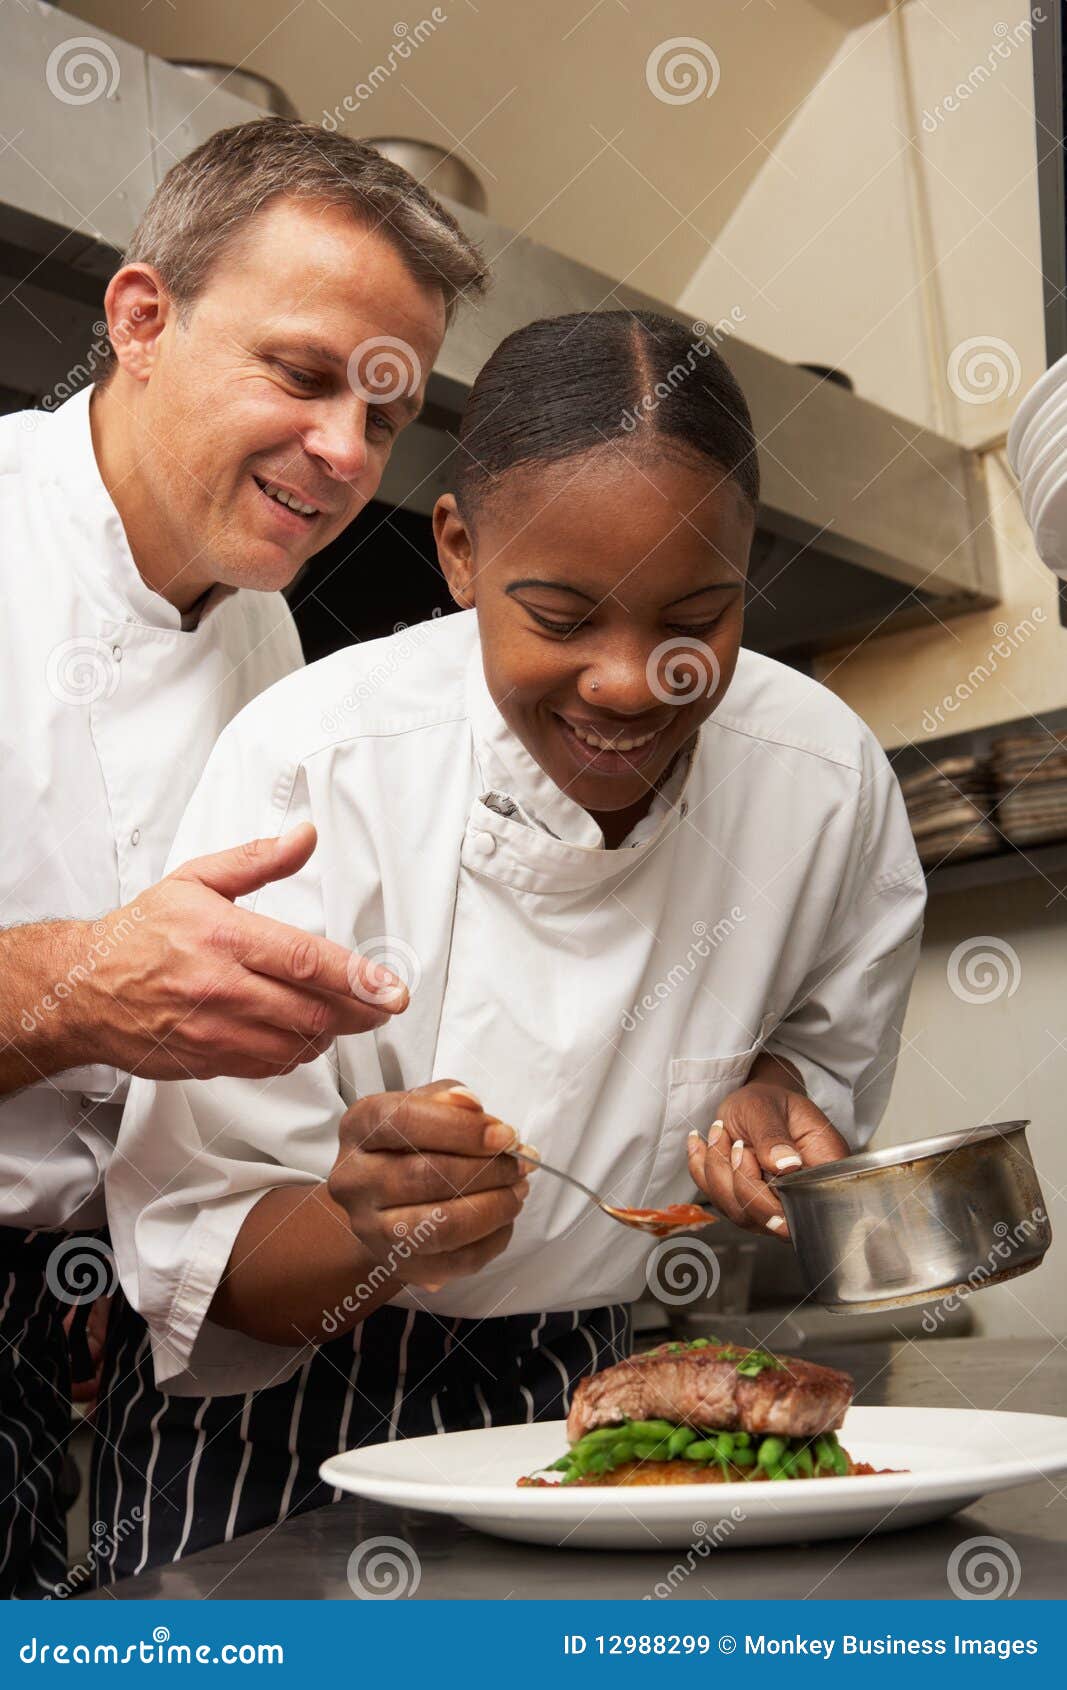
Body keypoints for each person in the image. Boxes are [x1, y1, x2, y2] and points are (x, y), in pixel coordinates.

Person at [98, 310, 925, 1579]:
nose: (628, 683)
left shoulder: (818, 778)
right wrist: (363, 1226)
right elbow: (212, 1268)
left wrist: (779, 1096)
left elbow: (815, 1056)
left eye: (695, 619)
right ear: (460, 550)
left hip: (596, 1381)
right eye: (560, 616)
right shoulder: (315, 763)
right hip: (278, 1409)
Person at [0, 116, 486, 1596]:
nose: (345, 453)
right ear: (140, 319)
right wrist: (73, 989)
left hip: (62, 1328)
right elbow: (94, 996)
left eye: (386, 412)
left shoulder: (267, 633)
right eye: (299, 373)